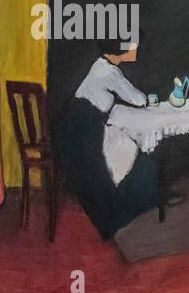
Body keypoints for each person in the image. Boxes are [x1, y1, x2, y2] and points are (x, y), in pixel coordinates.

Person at [56, 37, 158, 240]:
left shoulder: (101, 66)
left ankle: (123, 205)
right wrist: (149, 100)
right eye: (132, 43)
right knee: (127, 150)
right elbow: (137, 98)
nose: (136, 47)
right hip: (84, 130)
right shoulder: (108, 71)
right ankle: (119, 213)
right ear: (119, 47)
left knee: (123, 147)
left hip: (76, 125)